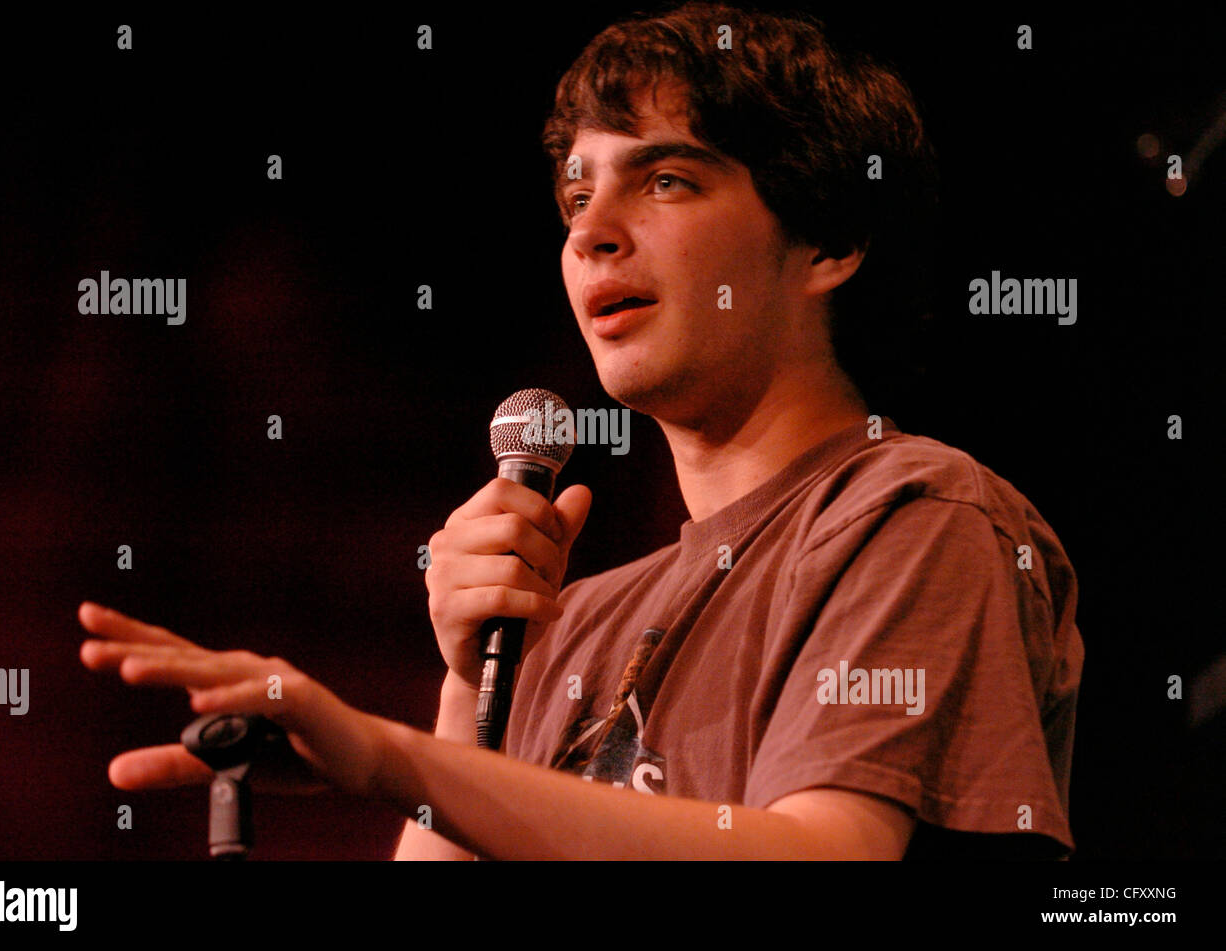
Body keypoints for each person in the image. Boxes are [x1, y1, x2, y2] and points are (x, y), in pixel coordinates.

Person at [79, 3, 1083, 860]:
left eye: (664, 182)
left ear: (826, 241)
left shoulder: (915, 514)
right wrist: (461, 697)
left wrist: (387, 758)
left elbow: (822, 856)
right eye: (576, 194)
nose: (590, 229)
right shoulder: (574, 621)